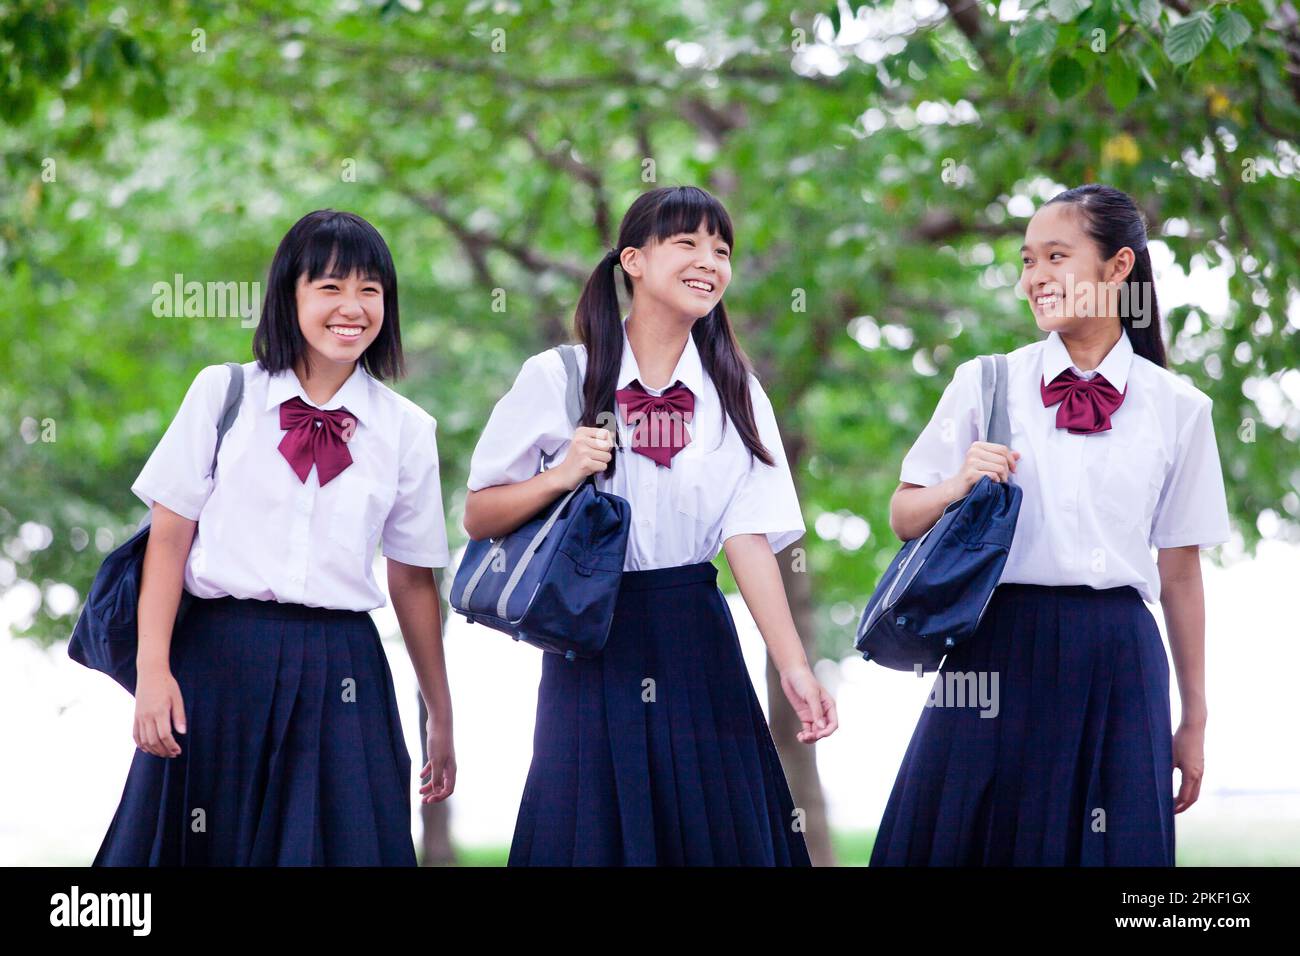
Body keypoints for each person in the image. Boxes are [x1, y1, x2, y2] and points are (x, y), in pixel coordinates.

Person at [465, 185, 838, 866]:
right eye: (688, 243)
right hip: (590, 636)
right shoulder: (561, 376)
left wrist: (793, 667)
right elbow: (479, 510)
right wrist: (560, 473)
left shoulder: (734, 390)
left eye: (721, 250)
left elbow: (747, 536)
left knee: (714, 829)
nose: (710, 262)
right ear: (633, 260)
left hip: (697, 636)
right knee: (590, 829)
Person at [870, 184, 1230, 866]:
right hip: (997, 648)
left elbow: (1180, 575)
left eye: (1055, 257)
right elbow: (902, 515)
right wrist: (958, 484)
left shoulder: (1179, 408)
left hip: (1118, 661)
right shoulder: (988, 382)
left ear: (1118, 268)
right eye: (1028, 261)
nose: (1034, 278)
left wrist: (1195, 719)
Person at [95, 209, 455, 866]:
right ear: (289, 296)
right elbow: (168, 544)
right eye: (330, 287)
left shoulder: (407, 429)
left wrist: (441, 716)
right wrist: (153, 671)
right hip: (219, 662)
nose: (352, 307)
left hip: (343, 671)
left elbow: (412, 579)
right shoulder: (224, 394)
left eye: (370, 289)